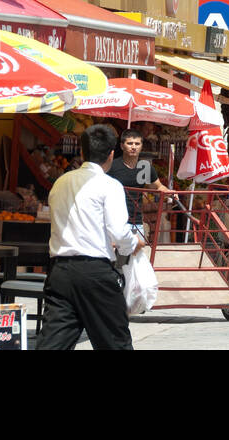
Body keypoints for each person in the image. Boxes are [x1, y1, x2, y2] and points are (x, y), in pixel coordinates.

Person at [37, 125, 144, 350]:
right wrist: (133, 243)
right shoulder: (110, 185)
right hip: (94, 272)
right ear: (112, 153)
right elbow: (118, 230)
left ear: (82, 152)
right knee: (115, 343)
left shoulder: (61, 182)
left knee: (53, 344)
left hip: (60, 273)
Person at [107, 128, 173, 244]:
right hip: (114, 221)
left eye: (137, 144)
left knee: (136, 258)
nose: (133, 147)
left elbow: (158, 186)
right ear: (122, 146)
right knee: (115, 259)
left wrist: (170, 192)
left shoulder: (145, 167)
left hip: (136, 221)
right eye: (129, 143)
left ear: (141, 146)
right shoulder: (112, 166)